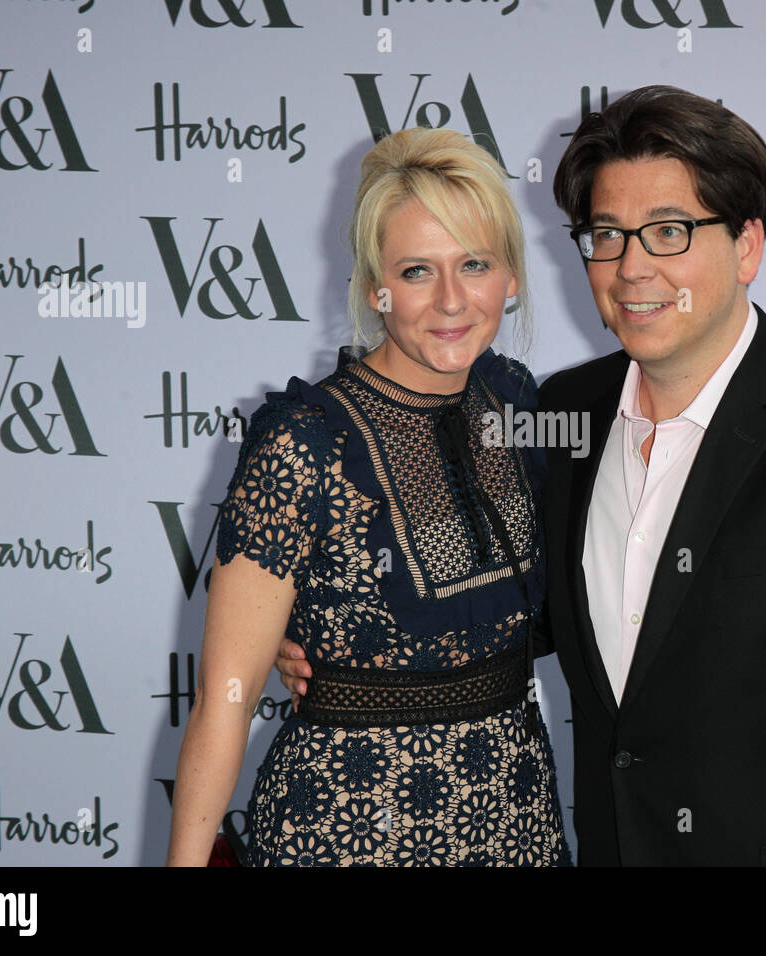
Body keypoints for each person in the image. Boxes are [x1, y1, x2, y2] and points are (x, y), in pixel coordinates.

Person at [277, 86, 766, 866]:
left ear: (748, 245)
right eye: (607, 235)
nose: (630, 268)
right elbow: (525, 609)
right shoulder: (560, 414)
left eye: (669, 231)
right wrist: (340, 632)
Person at [166, 126, 571, 866]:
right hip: (346, 832)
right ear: (372, 287)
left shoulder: (518, 405)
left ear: (510, 277)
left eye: (474, 264)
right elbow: (224, 707)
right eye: (417, 271)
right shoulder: (303, 442)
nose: (451, 300)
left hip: (516, 823)